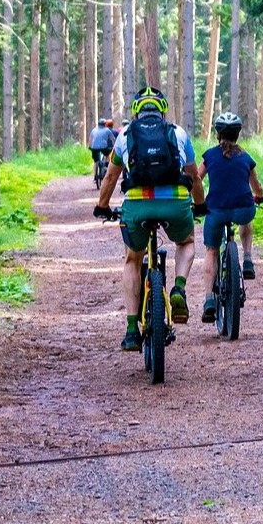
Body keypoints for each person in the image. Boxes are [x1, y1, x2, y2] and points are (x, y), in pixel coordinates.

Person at [94, 87, 206, 352]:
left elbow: (110, 177)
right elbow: (194, 176)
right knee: (186, 242)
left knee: (133, 259)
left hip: (138, 206)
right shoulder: (178, 133)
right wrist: (200, 205)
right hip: (175, 204)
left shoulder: (125, 135)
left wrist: (102, 206)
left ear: (136, 112)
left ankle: (132, 330)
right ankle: (178, 289)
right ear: (162, 111)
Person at [196, 112, 263, 323]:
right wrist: (260, 196)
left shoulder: (209, 156)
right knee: (247, 216)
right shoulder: (245, 157)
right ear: (238, 134)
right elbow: (256, 186)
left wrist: (197, 202)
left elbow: (196, 179)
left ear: (217, 134)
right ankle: (247, 259)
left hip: (216, 211)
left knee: (211, 250)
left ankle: (209, 299)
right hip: (242, 209)